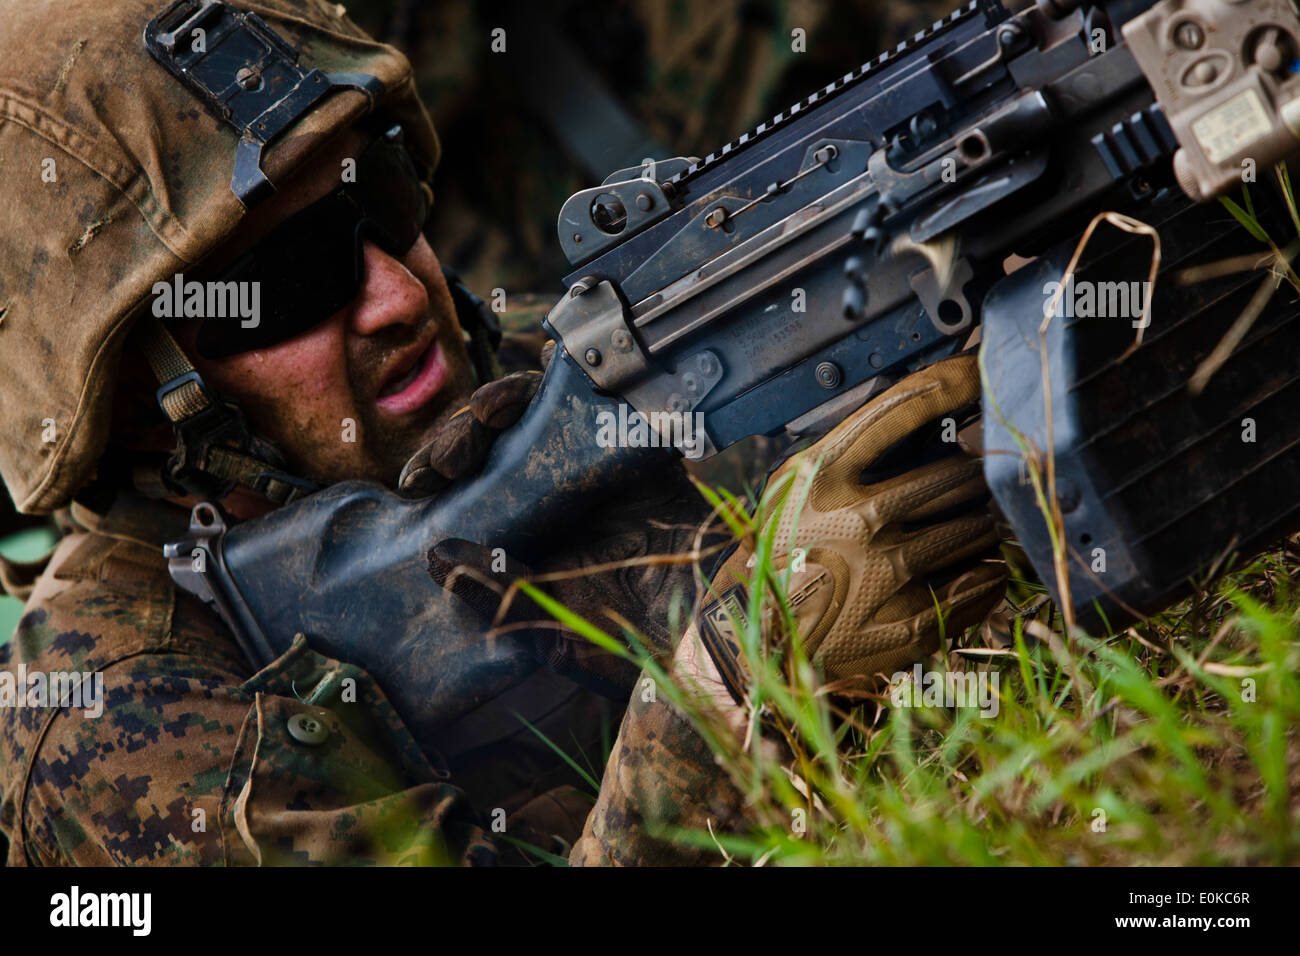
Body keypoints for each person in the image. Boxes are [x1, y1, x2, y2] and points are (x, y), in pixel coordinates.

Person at [0, 0, 1004, 866]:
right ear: (133, 399)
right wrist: (740, 687)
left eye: (382, 203)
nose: (396, 293)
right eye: (286, 281)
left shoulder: (534, 379)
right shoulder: (111, 716)